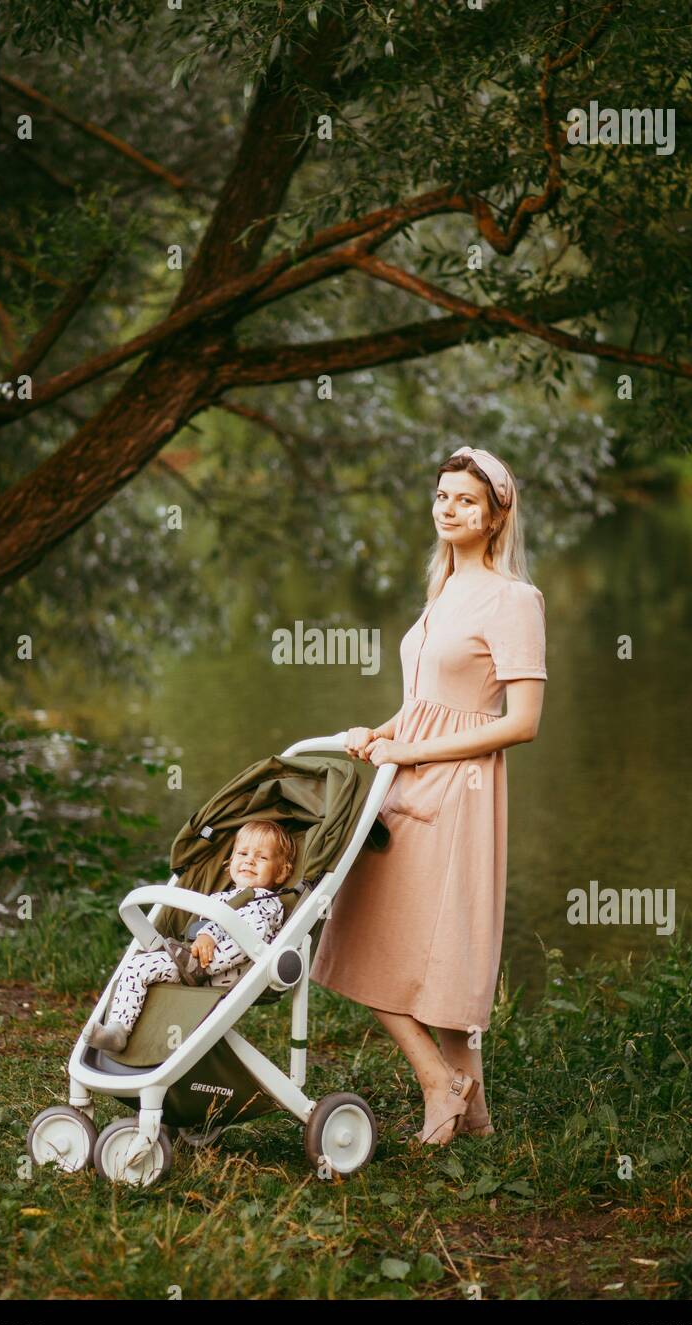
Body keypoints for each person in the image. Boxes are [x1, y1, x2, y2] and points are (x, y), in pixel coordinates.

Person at [309, 445, 547, 1147]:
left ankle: (438, 1081)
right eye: (442, 496)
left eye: (466, 500)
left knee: (425, 948)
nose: (449, 509)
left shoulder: (514, 600)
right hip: (404, 778)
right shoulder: (442, 586)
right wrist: (379, 730)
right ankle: (474, 1119)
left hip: (460, 788)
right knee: (363, 935)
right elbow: (426, 700)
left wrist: (409, 748)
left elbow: (521, 722)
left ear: (496, 516)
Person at [85, 820, 295, 1053]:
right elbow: (202, 926)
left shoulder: (267, 901)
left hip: (233, 970)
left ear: (282, 872)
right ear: (229, 863)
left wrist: (209, 935)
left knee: (247, 934)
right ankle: (117, 1030)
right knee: (137, 966)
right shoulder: (217, 898)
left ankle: (193, 964)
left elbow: (250, 930)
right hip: (192, 966)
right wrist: (204, 935)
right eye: (242, 853)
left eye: (262, 857)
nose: (249, 860)